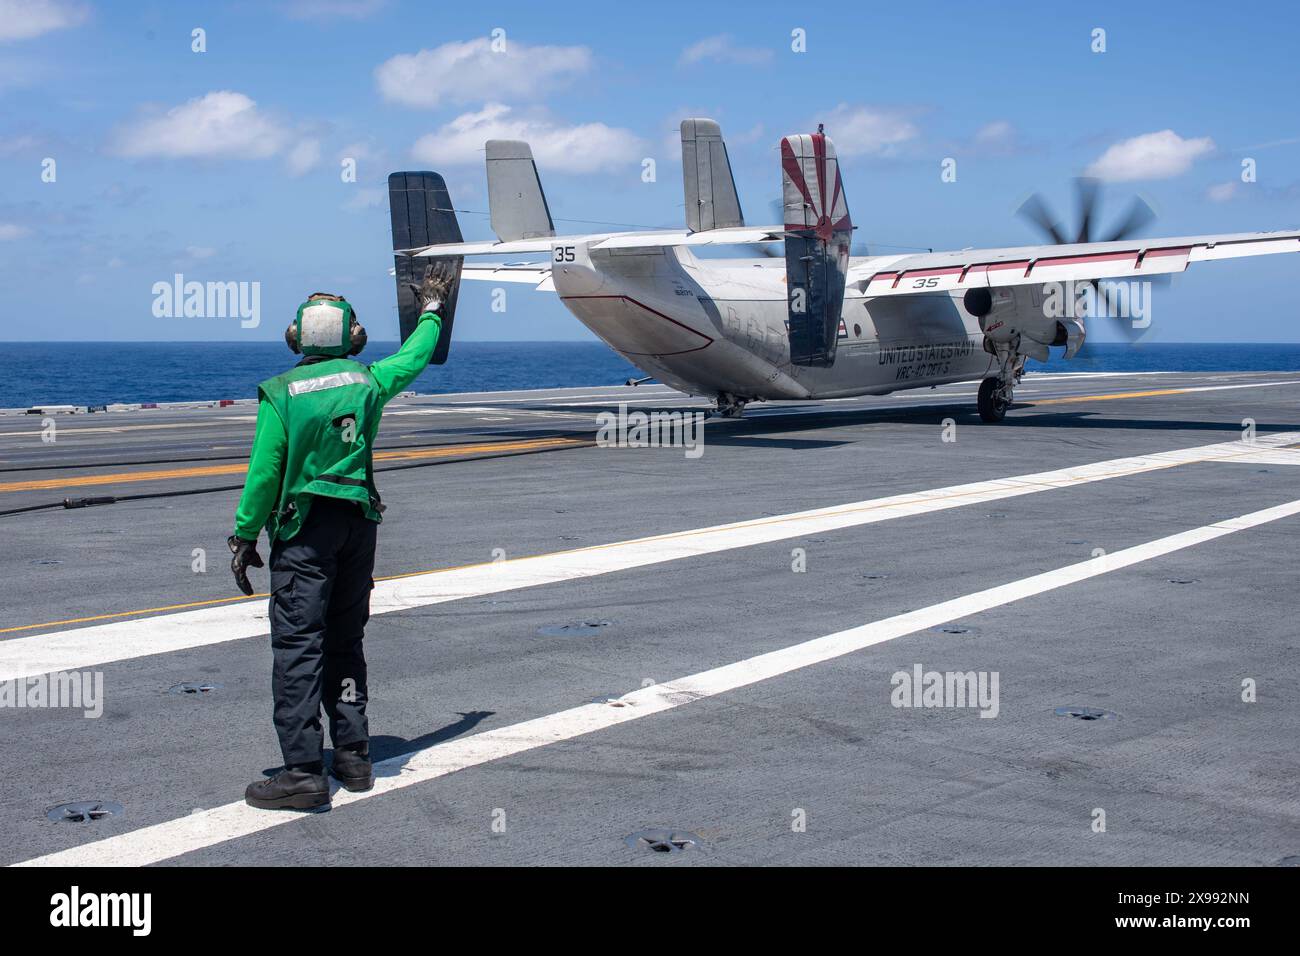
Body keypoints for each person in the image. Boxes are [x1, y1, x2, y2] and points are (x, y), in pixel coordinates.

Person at [228, 263, 456, 810]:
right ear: (354, 336)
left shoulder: (281, 394)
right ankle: (353, 757)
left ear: (295, 337)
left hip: (305, 533)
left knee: (297, 647)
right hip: (358, 527)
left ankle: (303, 772)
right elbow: (414, 357)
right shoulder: (368, 382)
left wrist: (243, 536)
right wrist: (431, 309)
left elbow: (265, 473)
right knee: (346, 641)